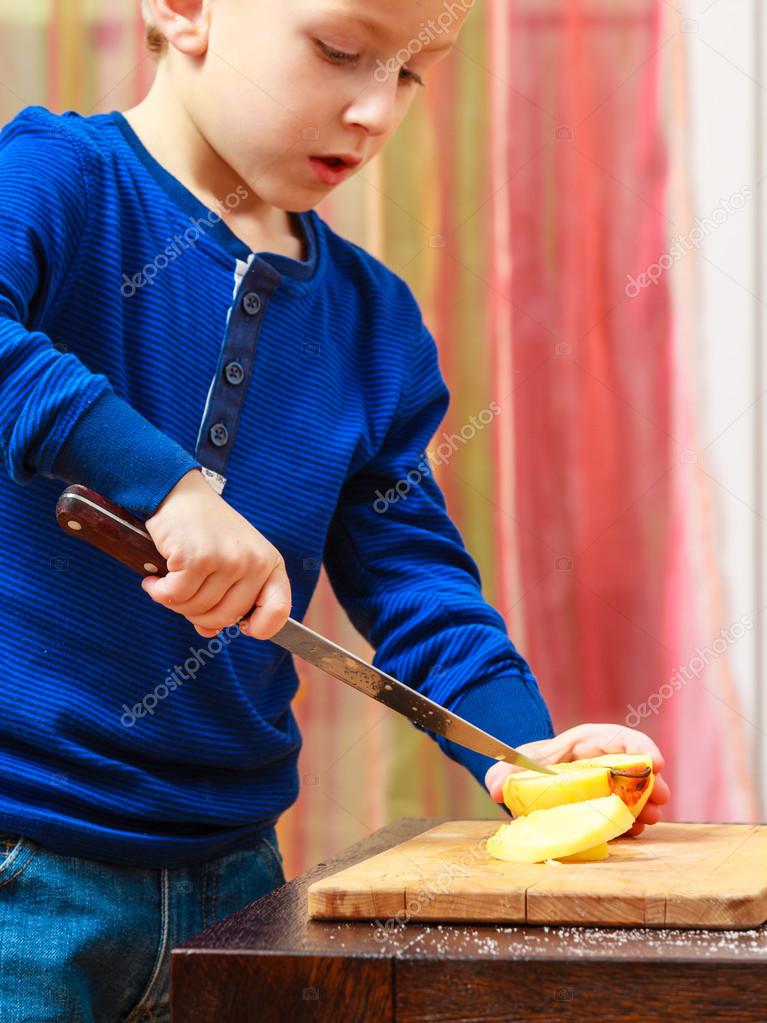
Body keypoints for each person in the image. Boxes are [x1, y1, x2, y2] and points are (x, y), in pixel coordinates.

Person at [0, 0, 669, 1018]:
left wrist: (517, 751)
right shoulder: (53, 180)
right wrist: (170, 486)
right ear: (184, 12)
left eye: (411, 73)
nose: (374, 112)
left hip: (238, 881)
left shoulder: (375, 322)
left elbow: (413, 584)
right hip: (23, 866)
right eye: (340, 52)